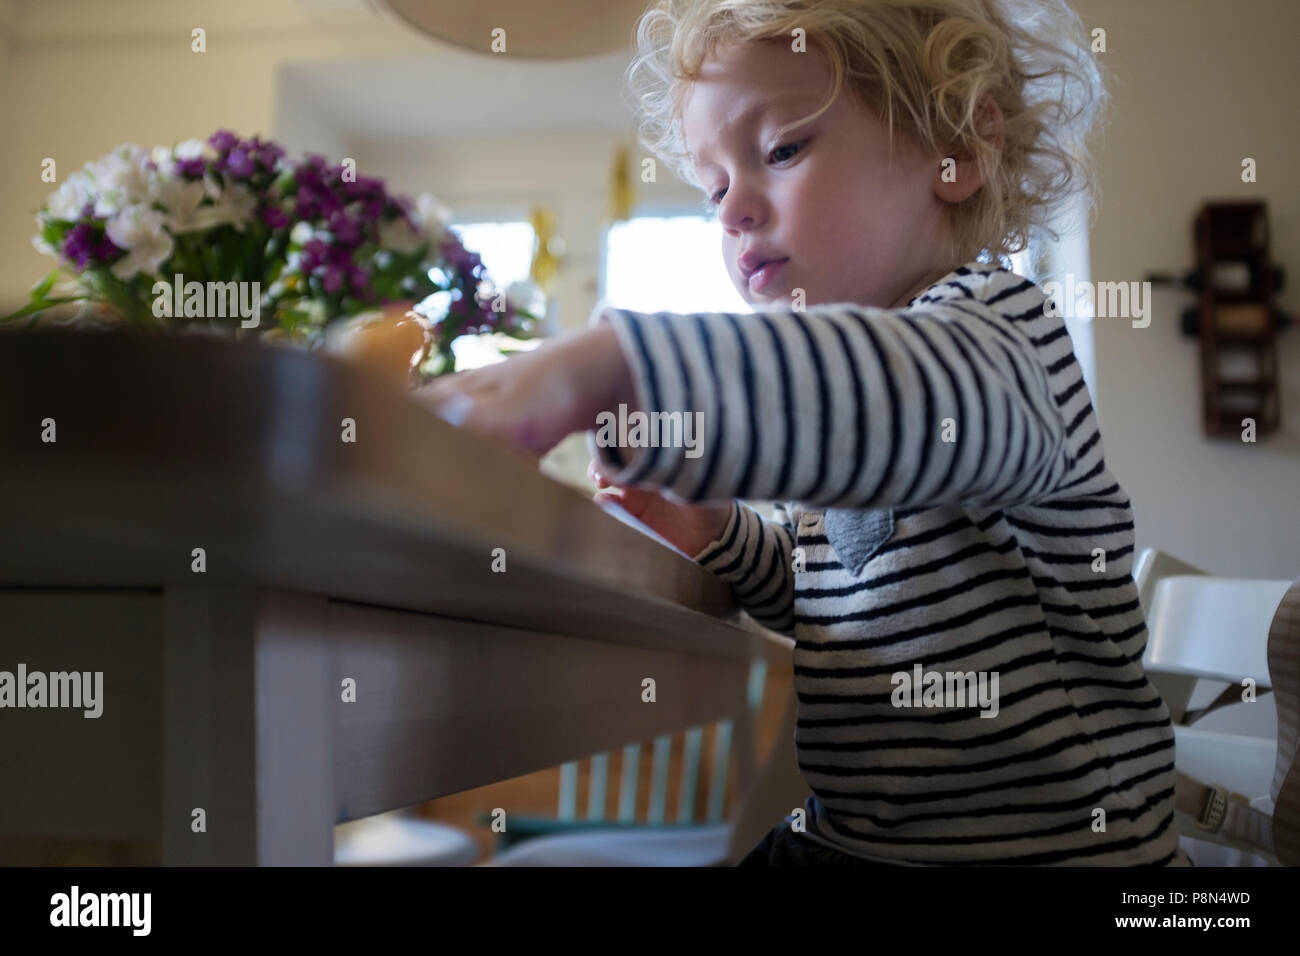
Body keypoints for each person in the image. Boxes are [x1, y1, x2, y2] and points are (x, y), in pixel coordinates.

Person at [420, 0, 1189, 865]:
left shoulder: (1002, 335)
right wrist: (722, 533)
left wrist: (622, 363)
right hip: (854, 843)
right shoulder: (839, 411)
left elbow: (895, 399)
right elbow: (832, 601)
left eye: (782, 149)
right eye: (714, 188)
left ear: (960, 151)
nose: (733, 212)